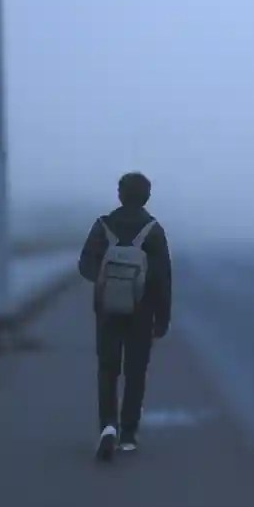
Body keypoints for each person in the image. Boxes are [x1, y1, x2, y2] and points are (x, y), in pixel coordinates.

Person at [78, 172, 172, 461]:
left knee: (107, 368)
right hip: (141, 312)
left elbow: (85, 266)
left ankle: (108, 426)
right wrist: (162, 318)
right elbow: (163, 279)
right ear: (147, 197)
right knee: (135, 371)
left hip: (107, 310)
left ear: (120, 194)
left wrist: (107, 283)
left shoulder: (102, 226)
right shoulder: (153, 230)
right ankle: (129, 434)